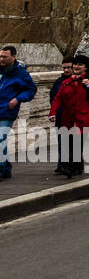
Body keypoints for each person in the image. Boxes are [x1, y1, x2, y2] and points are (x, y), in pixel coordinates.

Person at [49, 54, 89, 177]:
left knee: (77, 143)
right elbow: (58, 99)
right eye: (75, 64)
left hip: (83, 117)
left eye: (80, 65)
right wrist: (52, 113)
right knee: (68, 142)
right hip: (68, 117)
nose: (76, 66)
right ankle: (72, 166)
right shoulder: (67, 82)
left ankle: (71, 167)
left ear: (86, 67)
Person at [0, 45, 37, 180]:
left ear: (13, 57)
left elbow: (31, 90)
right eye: (0, 56)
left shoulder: (21, 74)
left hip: (7, 111)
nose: (1, 59)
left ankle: (1, 167)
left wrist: (17, 99)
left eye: (4, 57)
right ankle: (5, 167)